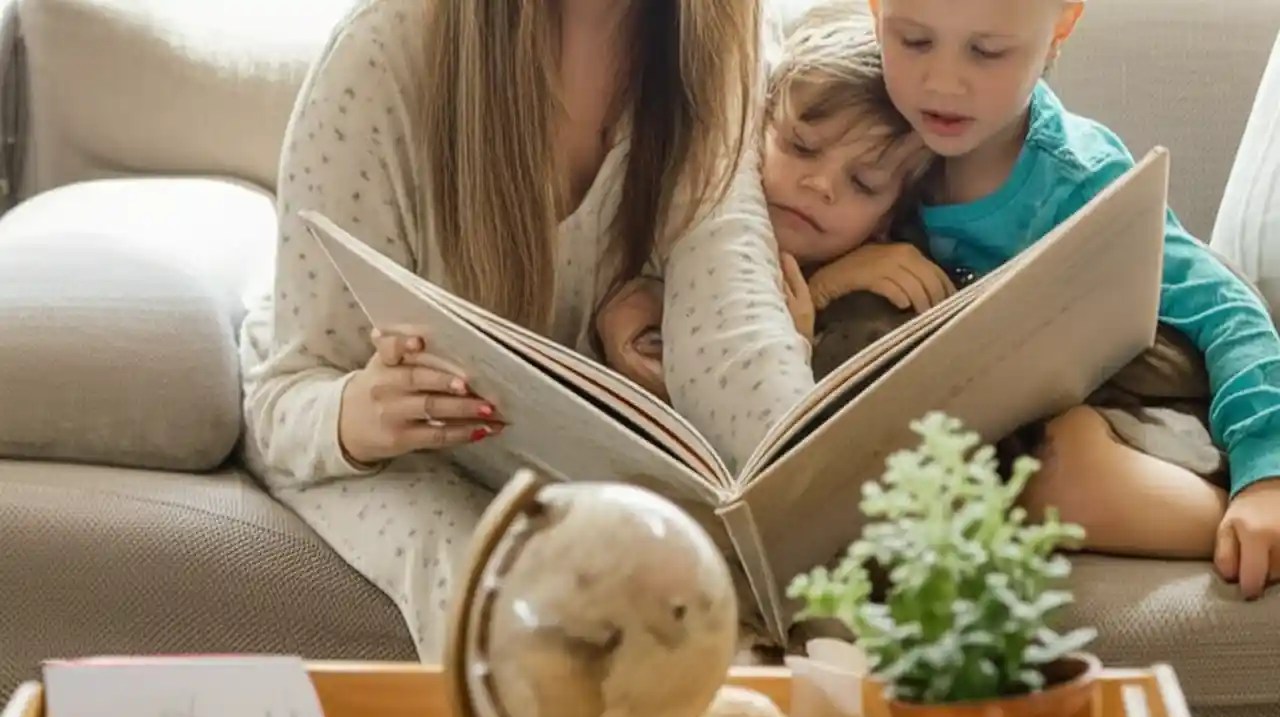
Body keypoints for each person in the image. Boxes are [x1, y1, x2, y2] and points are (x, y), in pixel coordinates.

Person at [238, 0, 816, 662]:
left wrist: (822, 494)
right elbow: (283, 396)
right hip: (389, 456)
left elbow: (736, 339)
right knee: (512, 597)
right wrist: (359, 415)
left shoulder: (714, 45)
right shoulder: (385, 55)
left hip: (567, 454)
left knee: (744, 602)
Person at [866, 0, 1280, 598]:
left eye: (986, 51)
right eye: (913, 41)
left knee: (1066, 470)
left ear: (1060, 28)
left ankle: (1245, 530)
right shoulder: (867, 130)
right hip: (961, 429)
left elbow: (1228, 309)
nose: (943, 82)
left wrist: (1265, 477)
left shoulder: (1080, 180)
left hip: (1137, 412)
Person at [596, 3, 944, 398]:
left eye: (864, 184)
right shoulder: (701, 211)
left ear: (887, 218)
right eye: (802, 147)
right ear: (757, 127)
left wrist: (821, 295)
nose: (819, 184)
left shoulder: (876, 286)